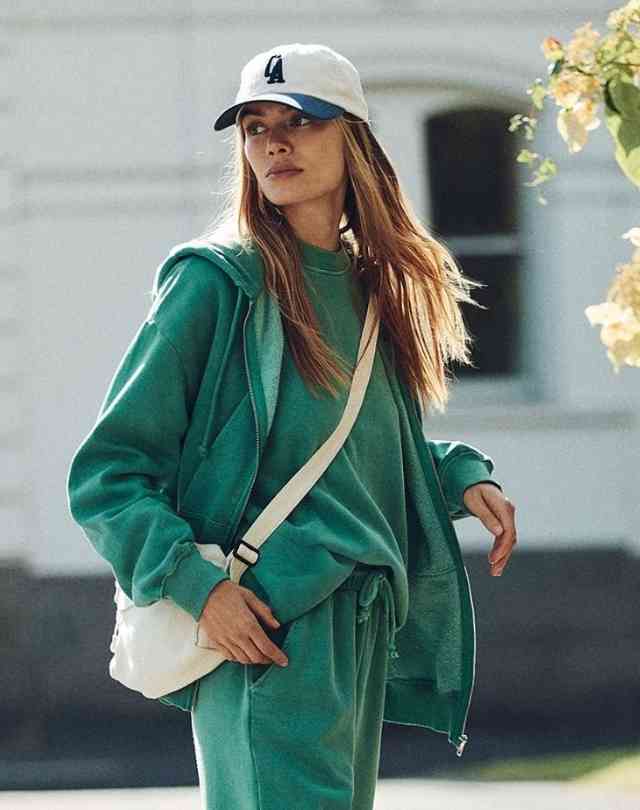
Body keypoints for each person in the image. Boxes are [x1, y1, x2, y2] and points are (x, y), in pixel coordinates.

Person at [67, 42, 517, 810]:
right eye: (254, 126)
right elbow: (107, 473)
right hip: (270, 621)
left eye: (301, 122)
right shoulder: (216, 284)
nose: (274, 143)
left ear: (355, 141)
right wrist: (200, 589)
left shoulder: (372, 289)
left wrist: (459, 475)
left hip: (364, 620)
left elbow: (354, 450)